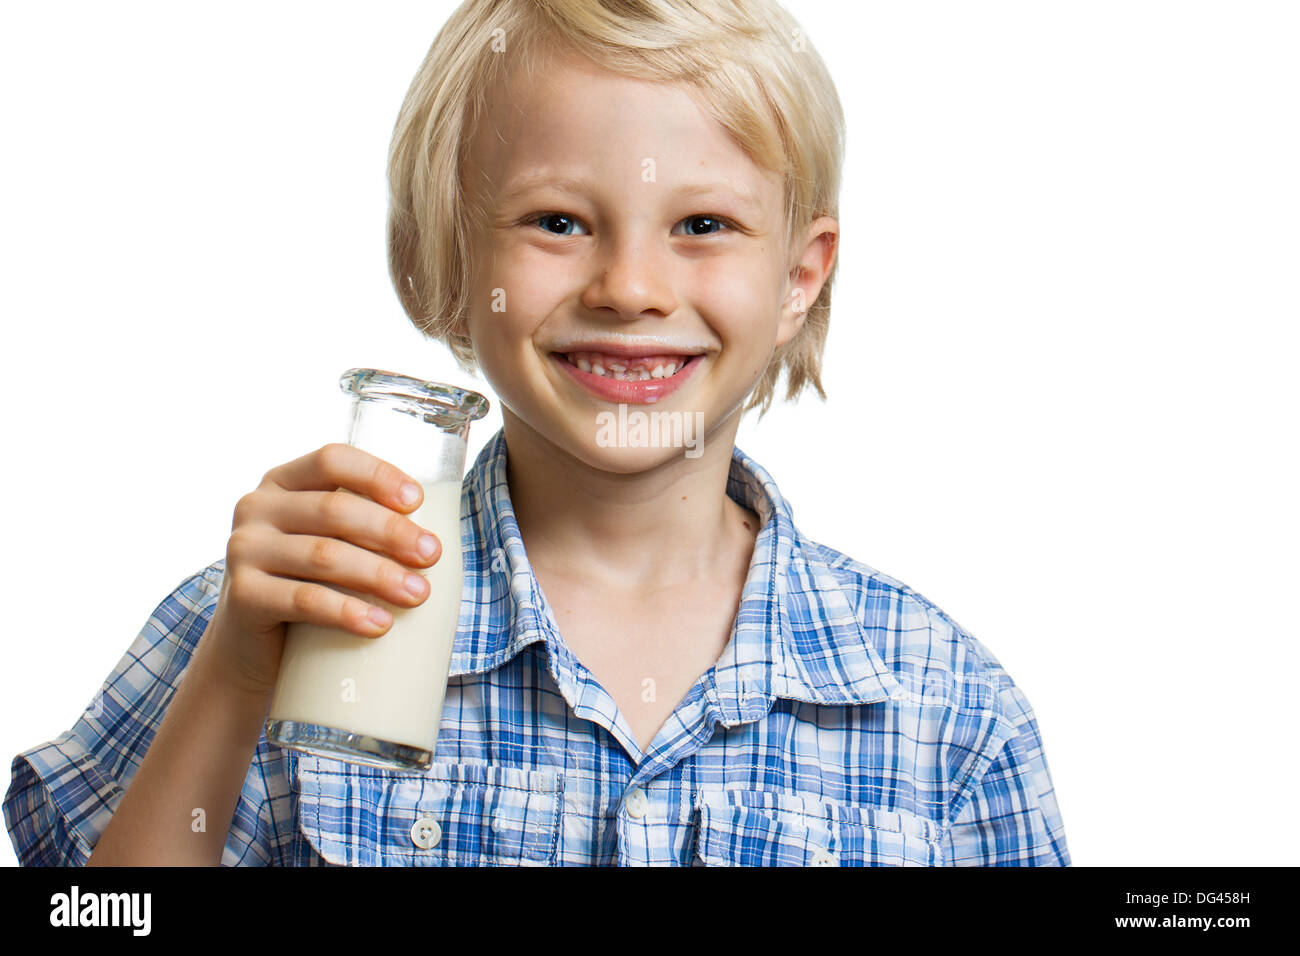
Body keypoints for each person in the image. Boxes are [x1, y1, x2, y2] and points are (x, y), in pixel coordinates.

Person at [5, 0, 1069, 866]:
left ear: (798, 276)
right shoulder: (281, 621)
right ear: (447, 264)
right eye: (557, 221)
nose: (632, 287)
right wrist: (237, 674)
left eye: (703, 226)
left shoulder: (948, 714)